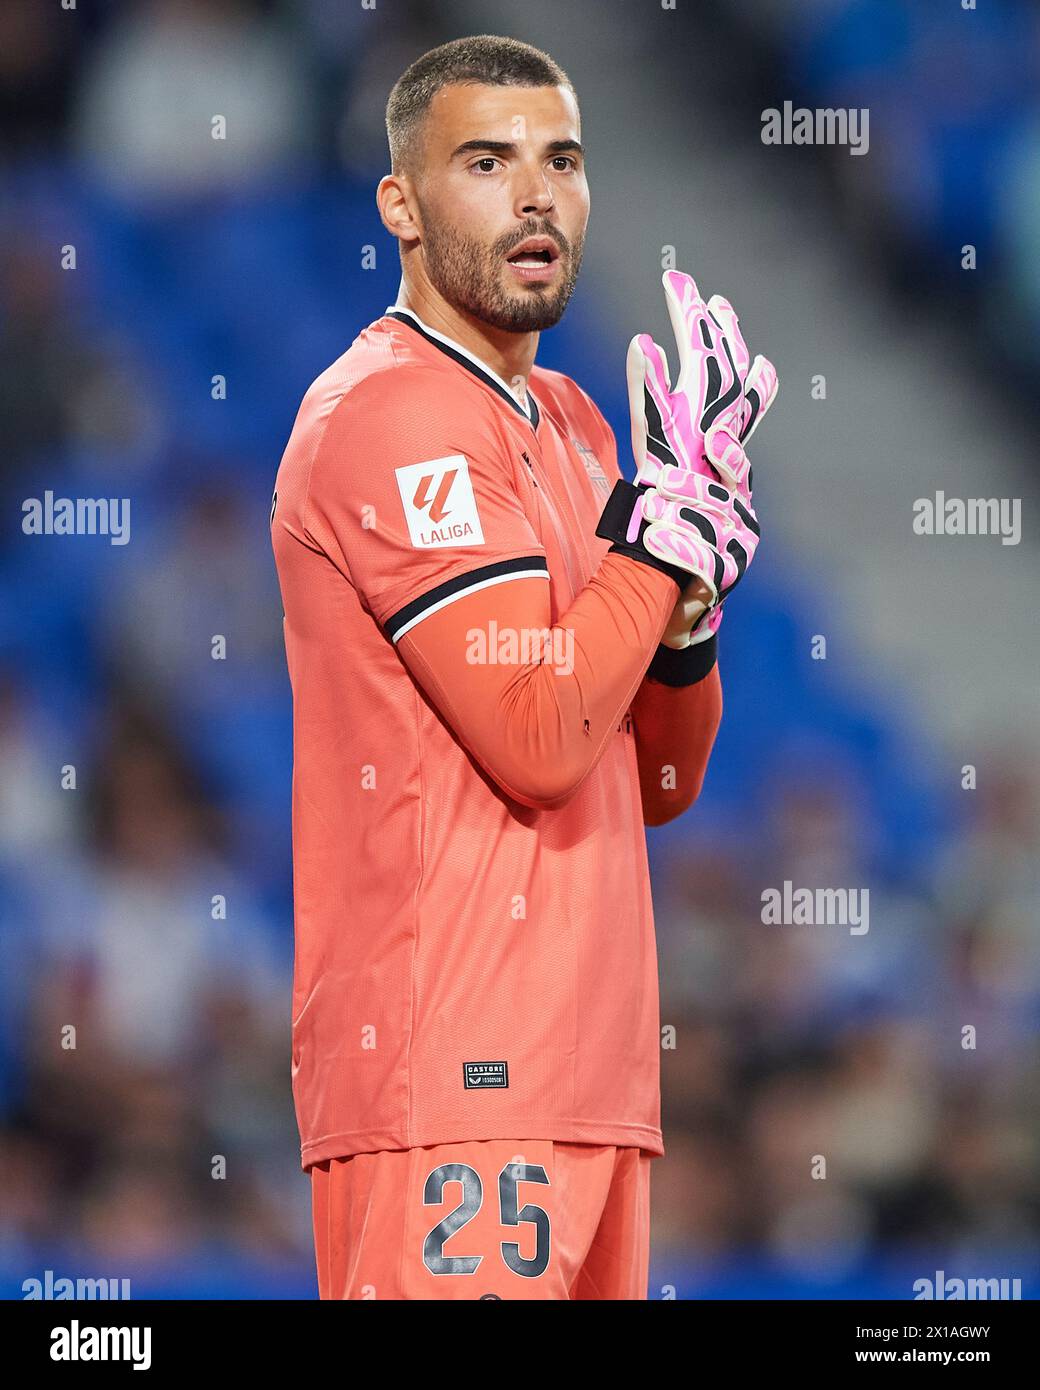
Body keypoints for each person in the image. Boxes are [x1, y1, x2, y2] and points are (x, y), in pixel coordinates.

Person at [272, 33, 772, 1300]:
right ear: (400, 202)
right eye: (486, 161)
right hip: (451, 1073)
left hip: (592, 1078)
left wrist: (687, 601)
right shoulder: (385, 415)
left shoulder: (578, 430)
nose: (537, 193)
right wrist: (657, 543)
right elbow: (542, 740)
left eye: (562, 160)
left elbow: (653, 778)